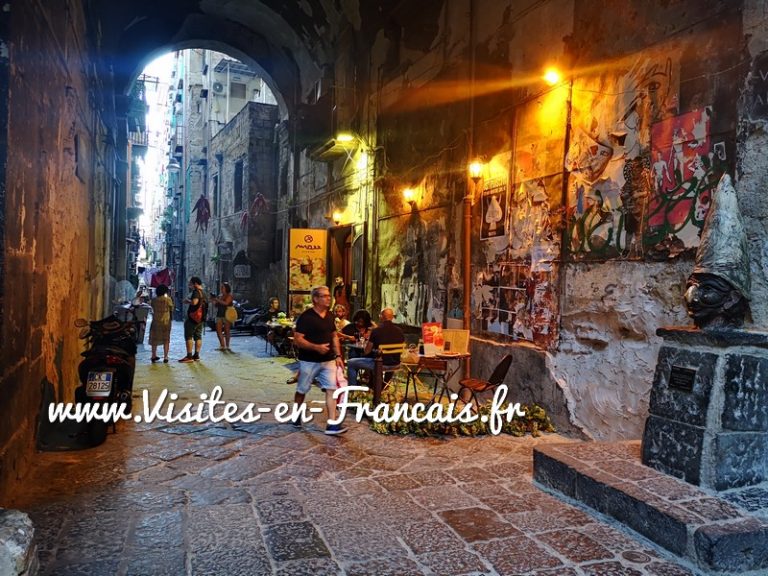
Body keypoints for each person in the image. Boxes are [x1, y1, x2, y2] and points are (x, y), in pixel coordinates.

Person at [291, 285, 347, 435]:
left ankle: (332, 424)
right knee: (302, 390)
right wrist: (316, 347)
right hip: (309, 361)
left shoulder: (329, 316)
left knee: (331, 390)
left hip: (328, 361)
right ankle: (296, 414)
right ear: (315, 299)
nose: (329, 298)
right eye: (325, 296)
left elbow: (334, 336)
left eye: (329, 295)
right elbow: (298, 339)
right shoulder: (306, 317)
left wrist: (338, 356)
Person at [346, 308, 405, 390]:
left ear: (381, 317)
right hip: (395, 364)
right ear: (392, 317)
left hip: (379, 364)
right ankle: (382, 387)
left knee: (351, 363)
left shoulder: (376, 331)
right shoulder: (400, 331)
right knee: (385, 358)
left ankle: (353, 391)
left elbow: (367, 351)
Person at [179, 276, 206, 363]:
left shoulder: (196, 292)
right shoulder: (203, 292)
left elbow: (194, 302)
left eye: (190, 283)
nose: (189, 285)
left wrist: (187, 301)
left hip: (193, 318)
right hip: (201, 318)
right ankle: (196, 355)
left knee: (189, 336)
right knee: (198, 336)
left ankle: (189, 356)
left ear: (195, 284)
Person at [148, 284, 173, 363]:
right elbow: (171, 308)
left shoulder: (154, 300)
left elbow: (152, 307)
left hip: (156, 321)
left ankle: (153, 355)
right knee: (166, 339)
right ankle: (165, 357)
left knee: (154, 338)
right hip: (166, 321)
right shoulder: (168, 299)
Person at [211, 282, 234, 351]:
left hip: (227, 315)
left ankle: (227, 346)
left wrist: (217, 299)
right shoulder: (220, 296)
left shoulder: (229, 296)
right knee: (218, 331)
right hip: (219, 315)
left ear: (226, 288)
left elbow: (226, 303)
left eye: (222, 287)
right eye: (221, 287)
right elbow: (216, 305)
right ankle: (222, 345)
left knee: (227, 331)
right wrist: (213, 300)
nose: (221, 289)